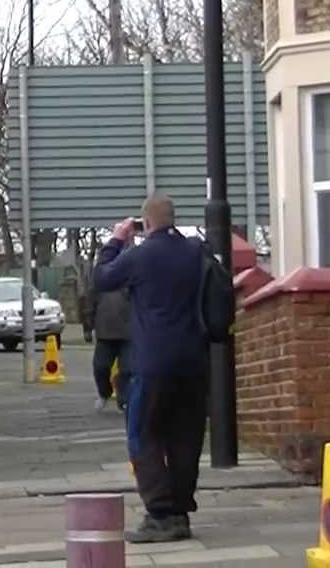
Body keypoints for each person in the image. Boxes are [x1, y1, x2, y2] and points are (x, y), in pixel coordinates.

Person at [92, 193, 207, 544]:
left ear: (146, 222)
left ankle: (160, 513)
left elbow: (102, 279)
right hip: (195, 362)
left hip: (154, 363)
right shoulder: (194, 253)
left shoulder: (139, 256)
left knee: (143, 435)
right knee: (185, 438)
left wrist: (116, 240)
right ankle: (181, 513)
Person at [84, 252, 133, 413]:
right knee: (101, 366)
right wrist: (87, 327)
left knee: (127, 369)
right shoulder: (100, 283)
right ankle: (104, 392)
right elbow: (90, 304)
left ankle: (124, 401)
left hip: (128, 333)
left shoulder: (131, 279)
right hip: (105, 333)